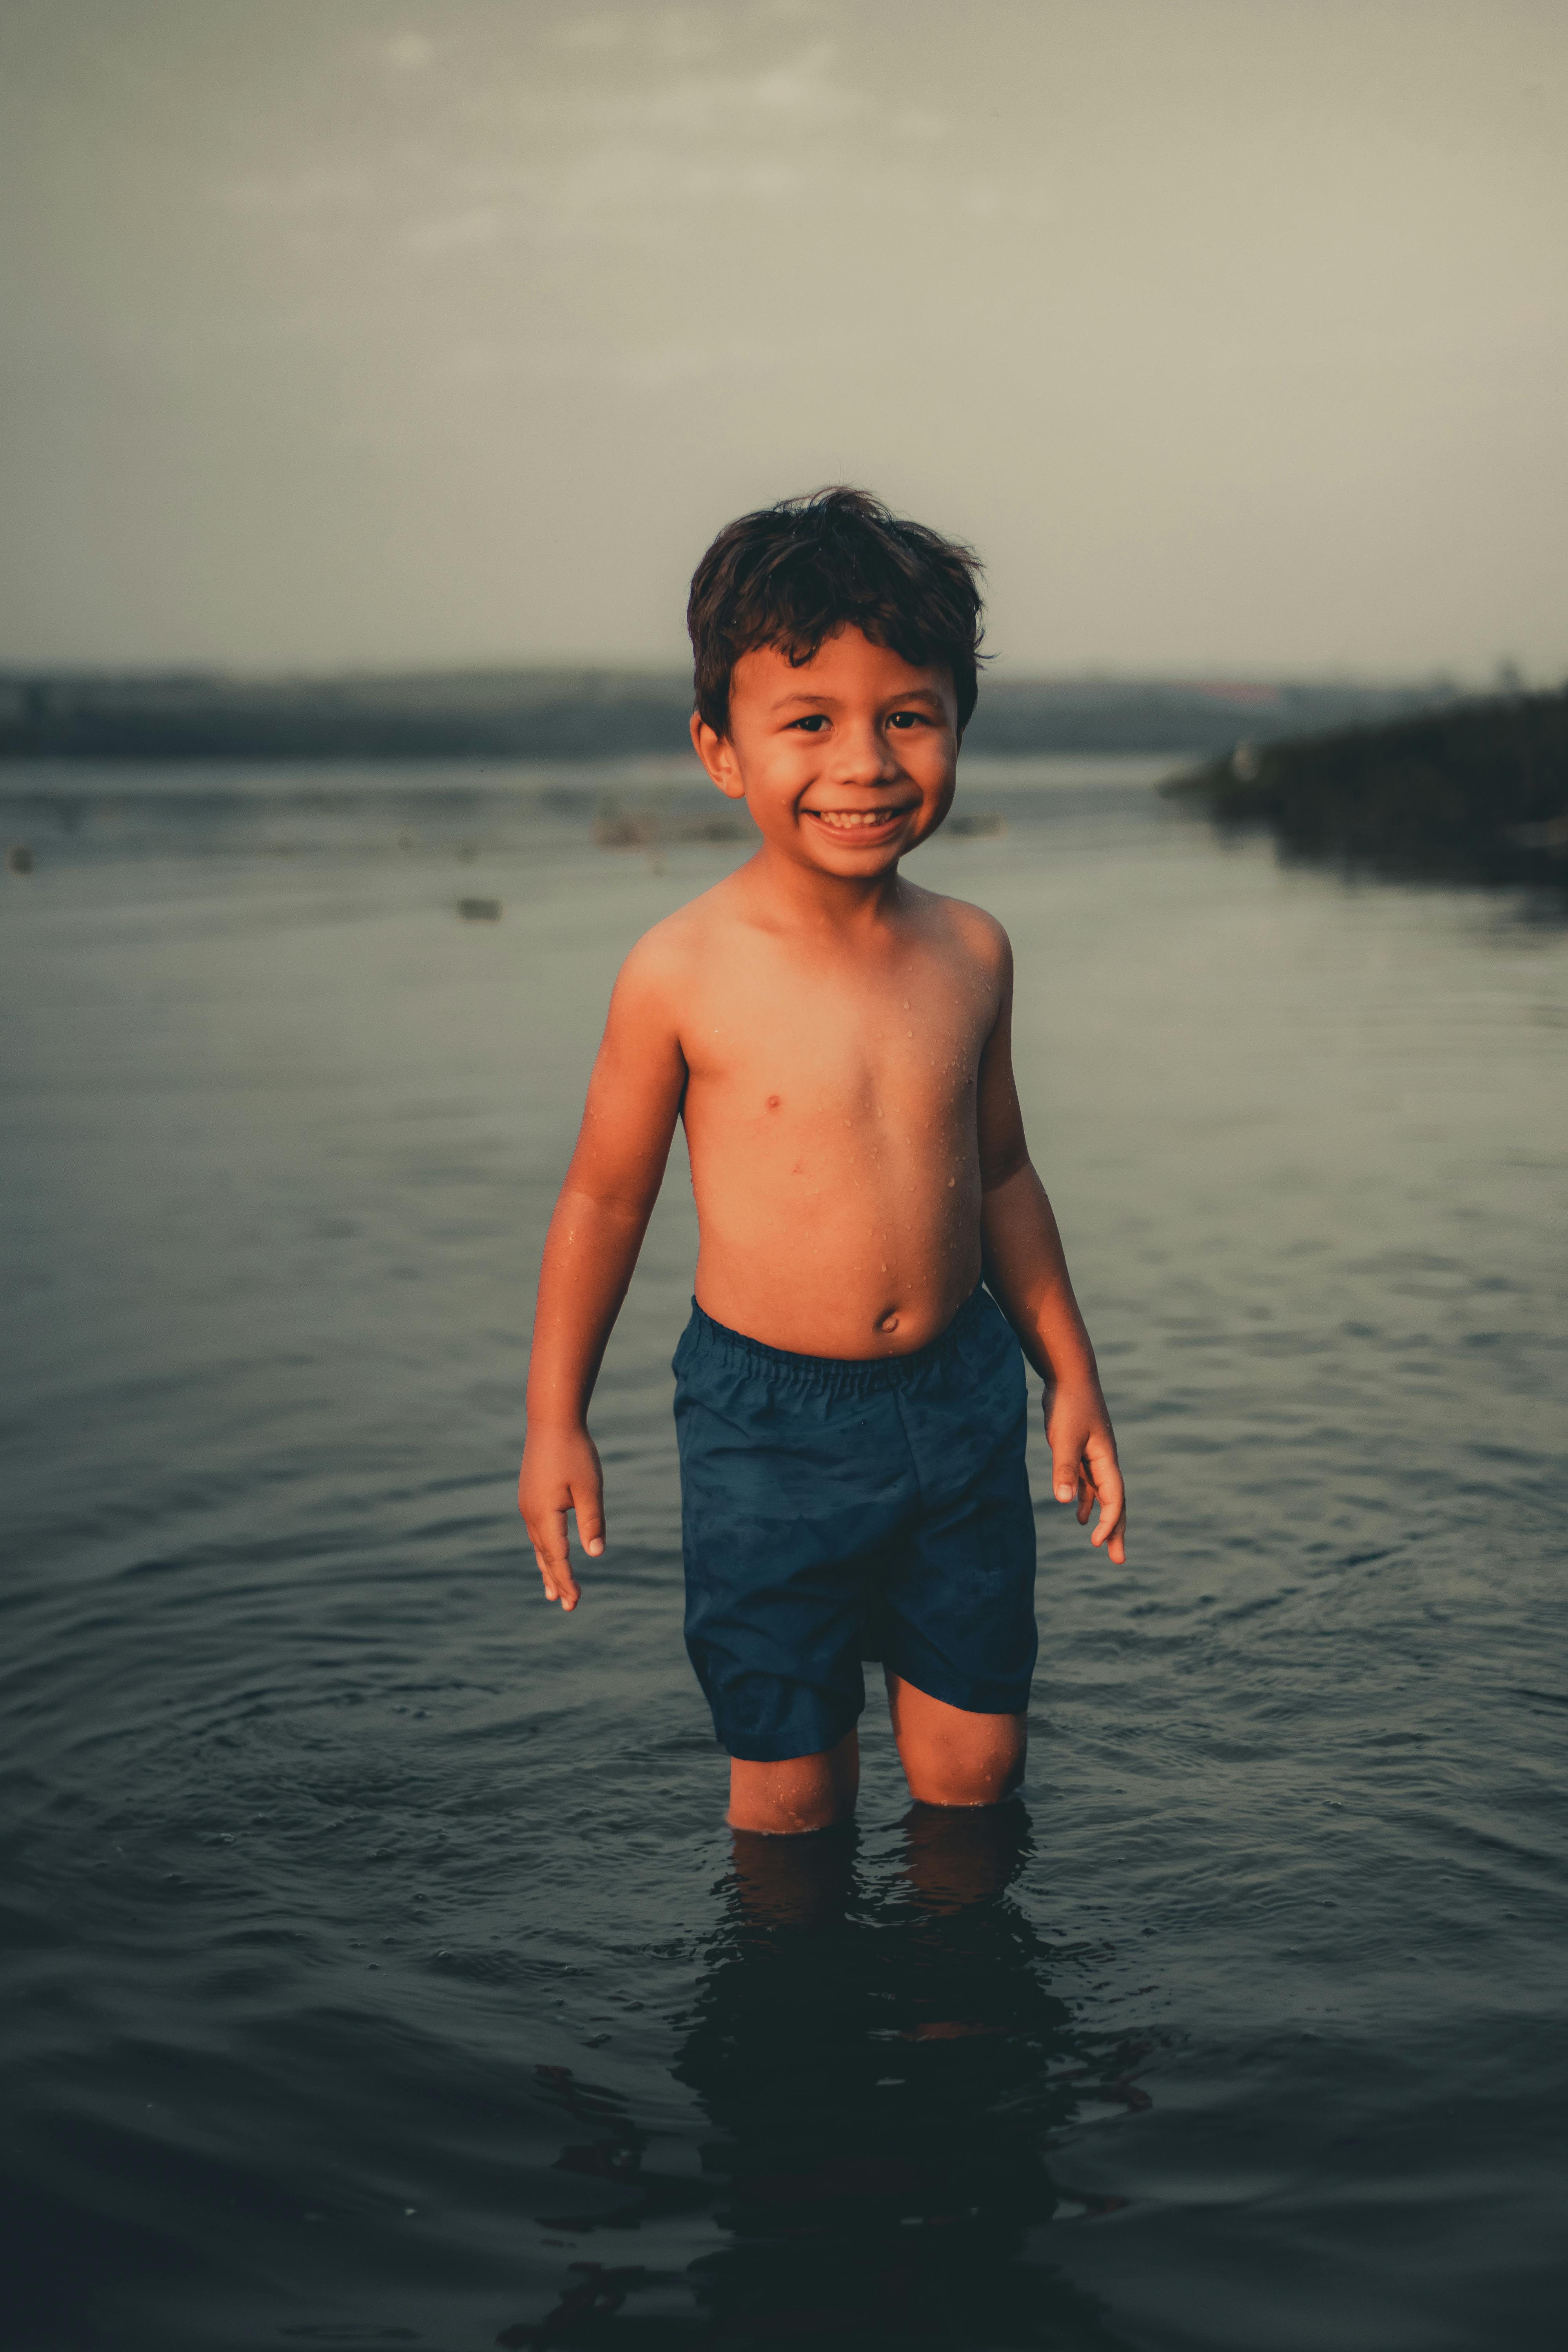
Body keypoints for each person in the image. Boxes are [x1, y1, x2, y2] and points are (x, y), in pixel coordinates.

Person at [518, 487, 1126, 1835]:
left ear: (958, 728)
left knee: (975, 1776)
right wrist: (555, 1415)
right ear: (720, 750)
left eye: (908, 716)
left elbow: (1009, 1178)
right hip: (767, 1427)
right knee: (791, 1798)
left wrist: (1069, 1376)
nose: (866, 762)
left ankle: (959, 2024)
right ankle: (796, 2033)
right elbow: (605, 1198)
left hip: (960, 1398)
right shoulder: (679, 970)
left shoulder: (972, 953)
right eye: (810, 722)